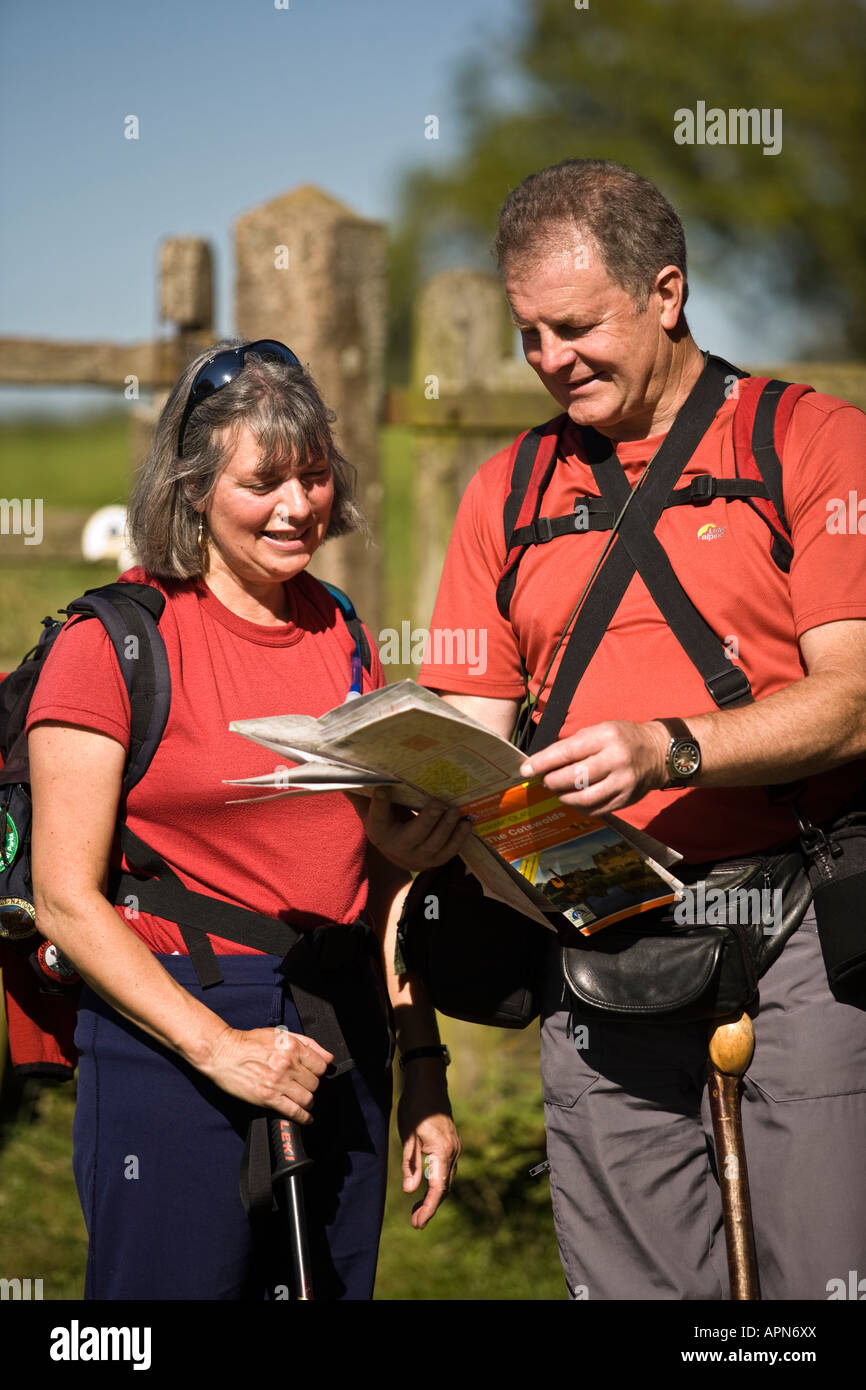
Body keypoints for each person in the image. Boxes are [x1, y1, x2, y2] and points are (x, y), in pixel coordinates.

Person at [410, 159, 866, 1300]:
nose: (550, 360)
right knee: (634, 1291)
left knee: (823, 1277)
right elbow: (469, 732)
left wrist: (667, 746)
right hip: (595, 928)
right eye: (528, 335)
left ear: (664, 294)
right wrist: (417, 806)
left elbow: (853, 695)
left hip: (798, 920)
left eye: (574, 326)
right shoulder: (502, 493)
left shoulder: (809, 443)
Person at [27, 338, 462, 1301]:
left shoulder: (340, 626)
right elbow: (64, 899)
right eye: (263, 481)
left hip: (338, 1029)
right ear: (192, 490)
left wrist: (422, 1065)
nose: (298, 506)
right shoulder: (114, 643)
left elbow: (382, 878)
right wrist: (221, 1050)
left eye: (313, 476)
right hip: (174, 1033)